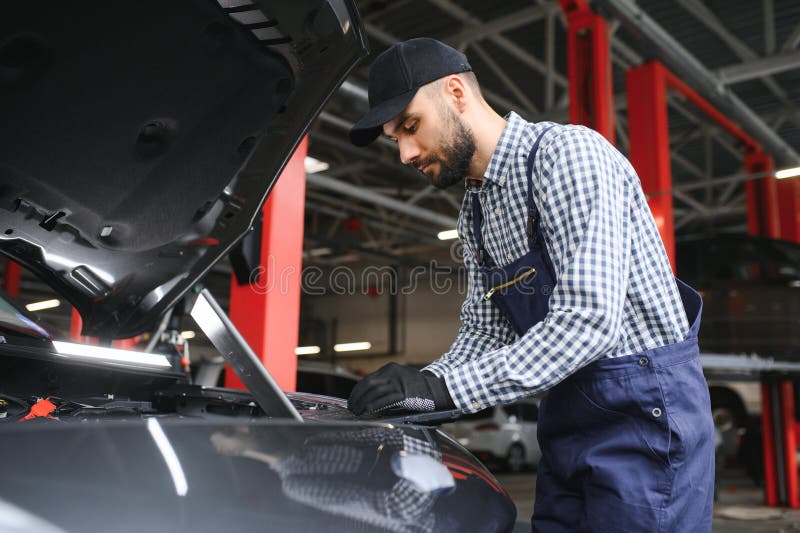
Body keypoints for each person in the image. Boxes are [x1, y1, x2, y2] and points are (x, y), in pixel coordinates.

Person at [346, 37, 715, 532]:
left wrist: (447, 387)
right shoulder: (475, 210)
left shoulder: (568, 157)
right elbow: (486, 332)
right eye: (397, 139)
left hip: (645, 420)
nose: (406, 153)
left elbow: (588, 322)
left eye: (411, 127)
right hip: (566, 421)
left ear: (456, 92)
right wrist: (421, 390)